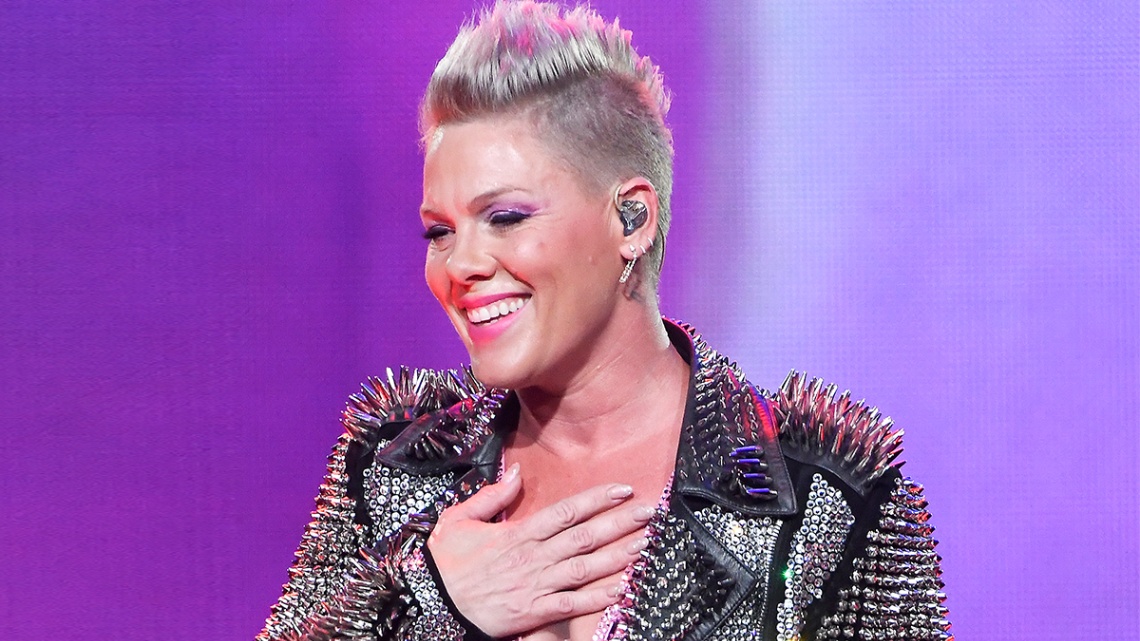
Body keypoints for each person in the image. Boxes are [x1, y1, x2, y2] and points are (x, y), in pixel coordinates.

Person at [257, 2, 951, 640]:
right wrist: (431, 601)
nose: (459, 265)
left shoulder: (826, 498)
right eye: (440, 232)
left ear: (631, 218)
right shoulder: (394, 470)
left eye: (505, 217)